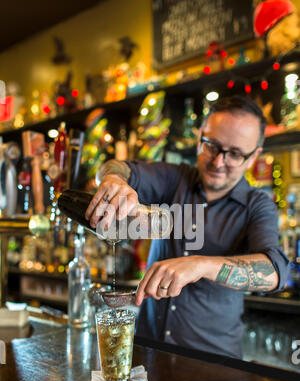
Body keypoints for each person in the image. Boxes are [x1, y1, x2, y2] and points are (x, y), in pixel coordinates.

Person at [85, 95, 290, 359]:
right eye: (212, 146)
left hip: (213, 366)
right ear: (199, 137)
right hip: (148, 353)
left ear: (253, 157)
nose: (218, 162)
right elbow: (116, 168)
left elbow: (274, 272)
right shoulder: (175, 179)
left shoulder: (257, 204)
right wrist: (114, 180)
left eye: (235, 154)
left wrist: (200, 265)